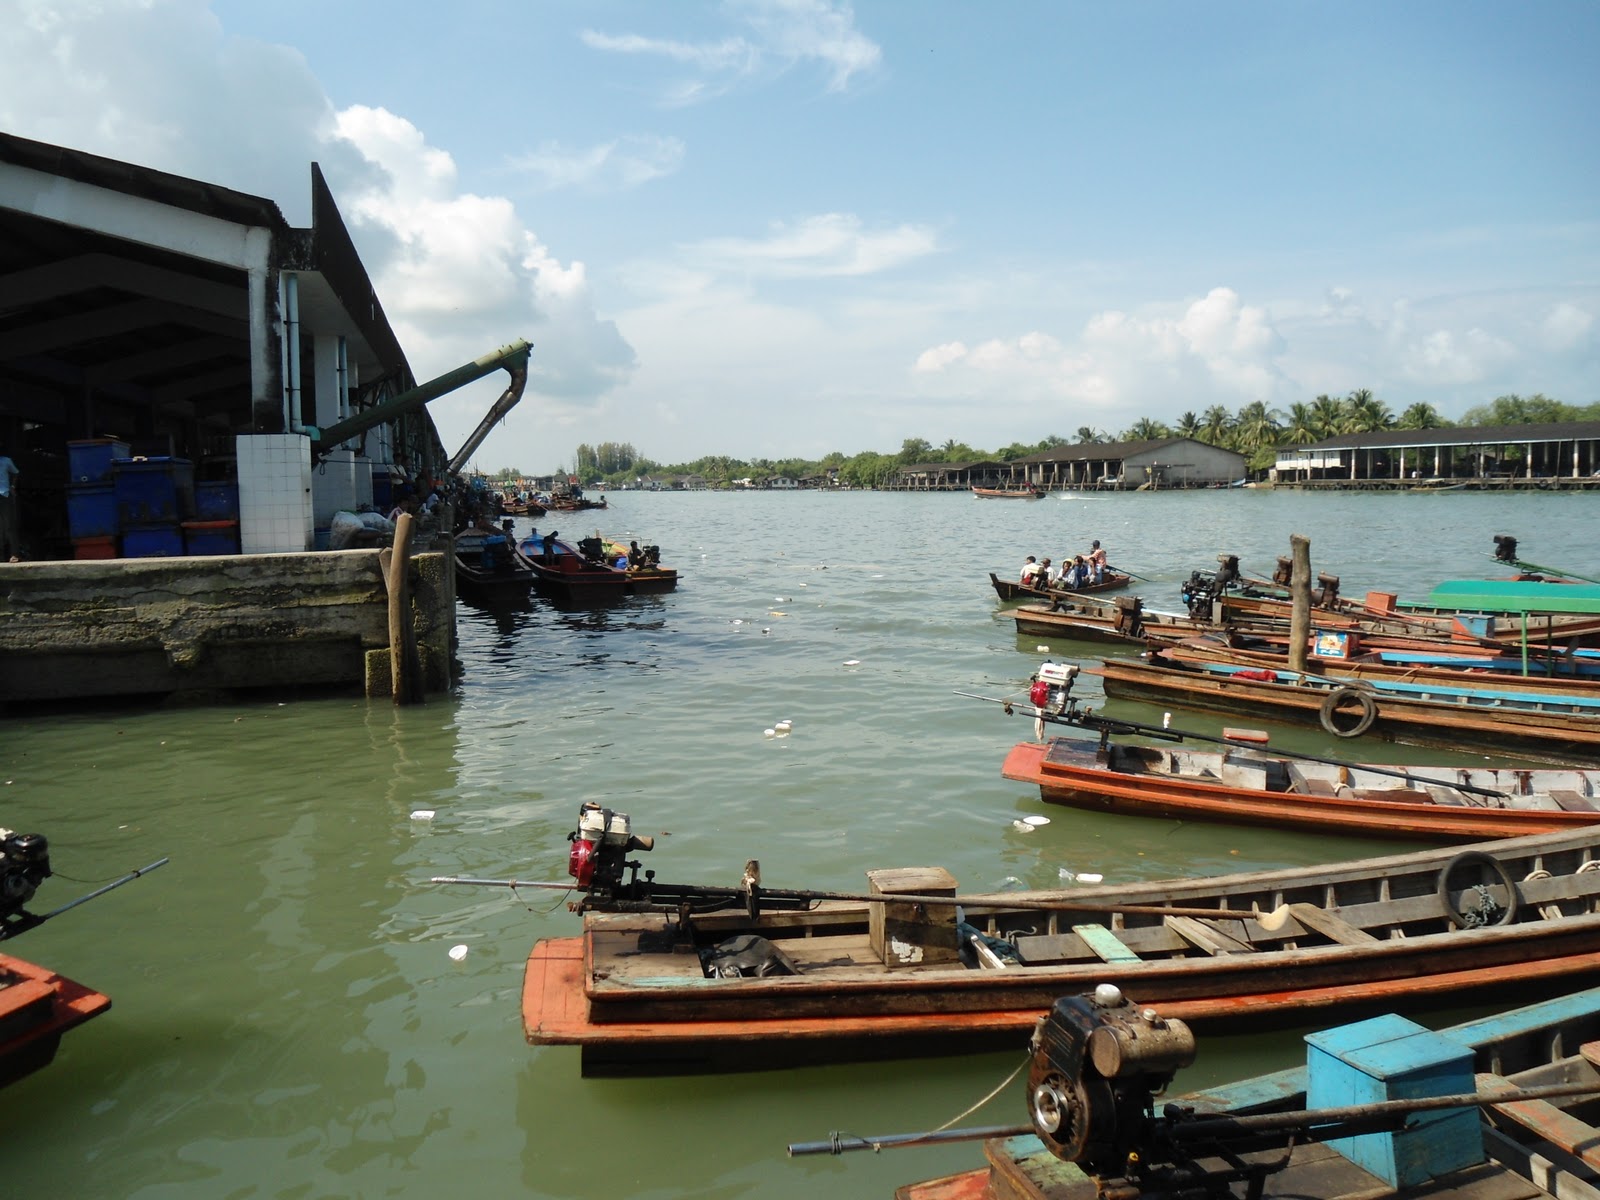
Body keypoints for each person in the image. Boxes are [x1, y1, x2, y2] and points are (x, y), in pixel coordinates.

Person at [0, 448, 20, 561]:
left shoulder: (6, 461)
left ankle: (14, 554)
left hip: (4, 495)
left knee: (9, 526)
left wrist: (12, 486)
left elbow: (16, 473)